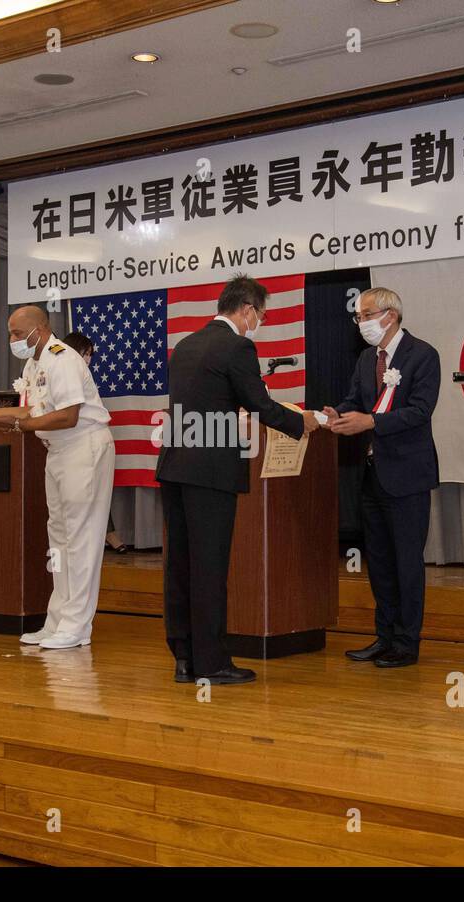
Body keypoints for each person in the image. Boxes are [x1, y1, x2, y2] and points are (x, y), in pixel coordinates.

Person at [156, 275, 316, 686]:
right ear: (246, 310)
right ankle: (212, 663)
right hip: (210, 472)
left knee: (181, 564)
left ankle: (184, 657)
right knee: (209, 567)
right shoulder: (238, 346)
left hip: (175, 465)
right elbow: (259, 404)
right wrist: (305, 422)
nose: (258, 322)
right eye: (259, 315)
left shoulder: (185, 345)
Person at [323, 287, 440, 668]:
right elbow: (354, 401)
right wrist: (332, 416)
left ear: (389, 315)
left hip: (407, 476)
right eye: (358, 316)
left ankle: (407, 642)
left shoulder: (423, 355)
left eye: (365, 315)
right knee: (380, 562)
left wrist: (371, 421)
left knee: (406, 561)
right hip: (372, 474)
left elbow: (420, 411)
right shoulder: (364, 359)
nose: (360, 323)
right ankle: (384, 636)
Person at [0, 306, 115, 648]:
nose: (12, 340)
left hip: (82, 448)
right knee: (58, 539)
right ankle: (57, 620)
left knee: (81, 538)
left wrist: (17, 424)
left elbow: (68, 416)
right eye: (10, 334)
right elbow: (32, 410)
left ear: (40, 329)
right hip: (57, 453)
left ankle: (76, 626)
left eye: (17, 333)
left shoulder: (63, 358)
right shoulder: (34, 364)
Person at [62, 331, 129, 554]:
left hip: (87, 444)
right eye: (86, 354)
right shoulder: (64, 371)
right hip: (68, 448)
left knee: (94, 498)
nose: (88, 360)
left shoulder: (80, 375)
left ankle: (104, 537)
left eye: (90, 355)